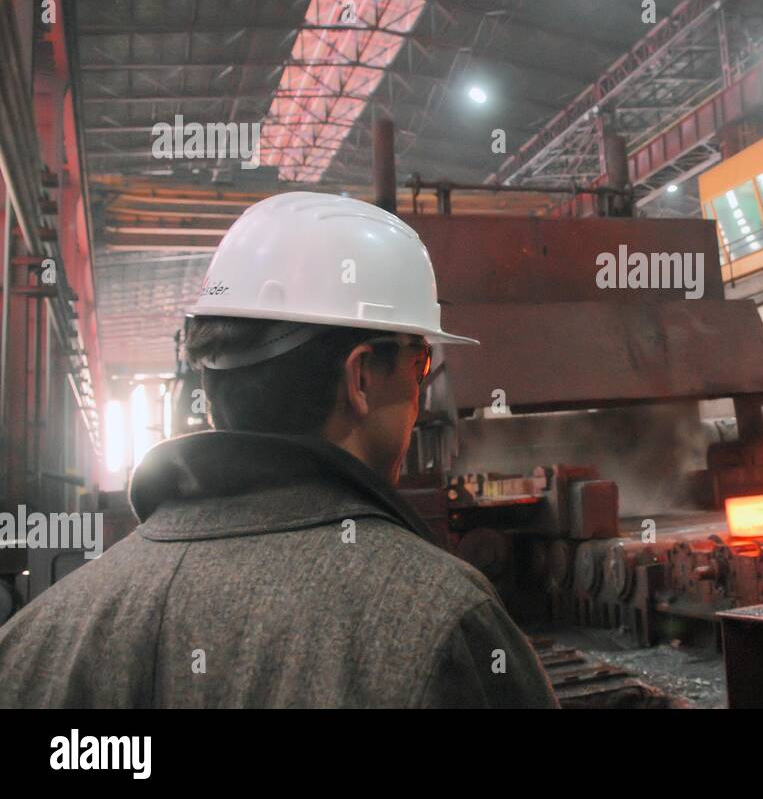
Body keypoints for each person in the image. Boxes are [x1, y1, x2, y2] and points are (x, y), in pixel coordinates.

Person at [0, 192, 559, 708]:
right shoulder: (445, 624)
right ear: (362, 377)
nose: (420, 393)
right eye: (421, 365)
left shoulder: (32, 641)